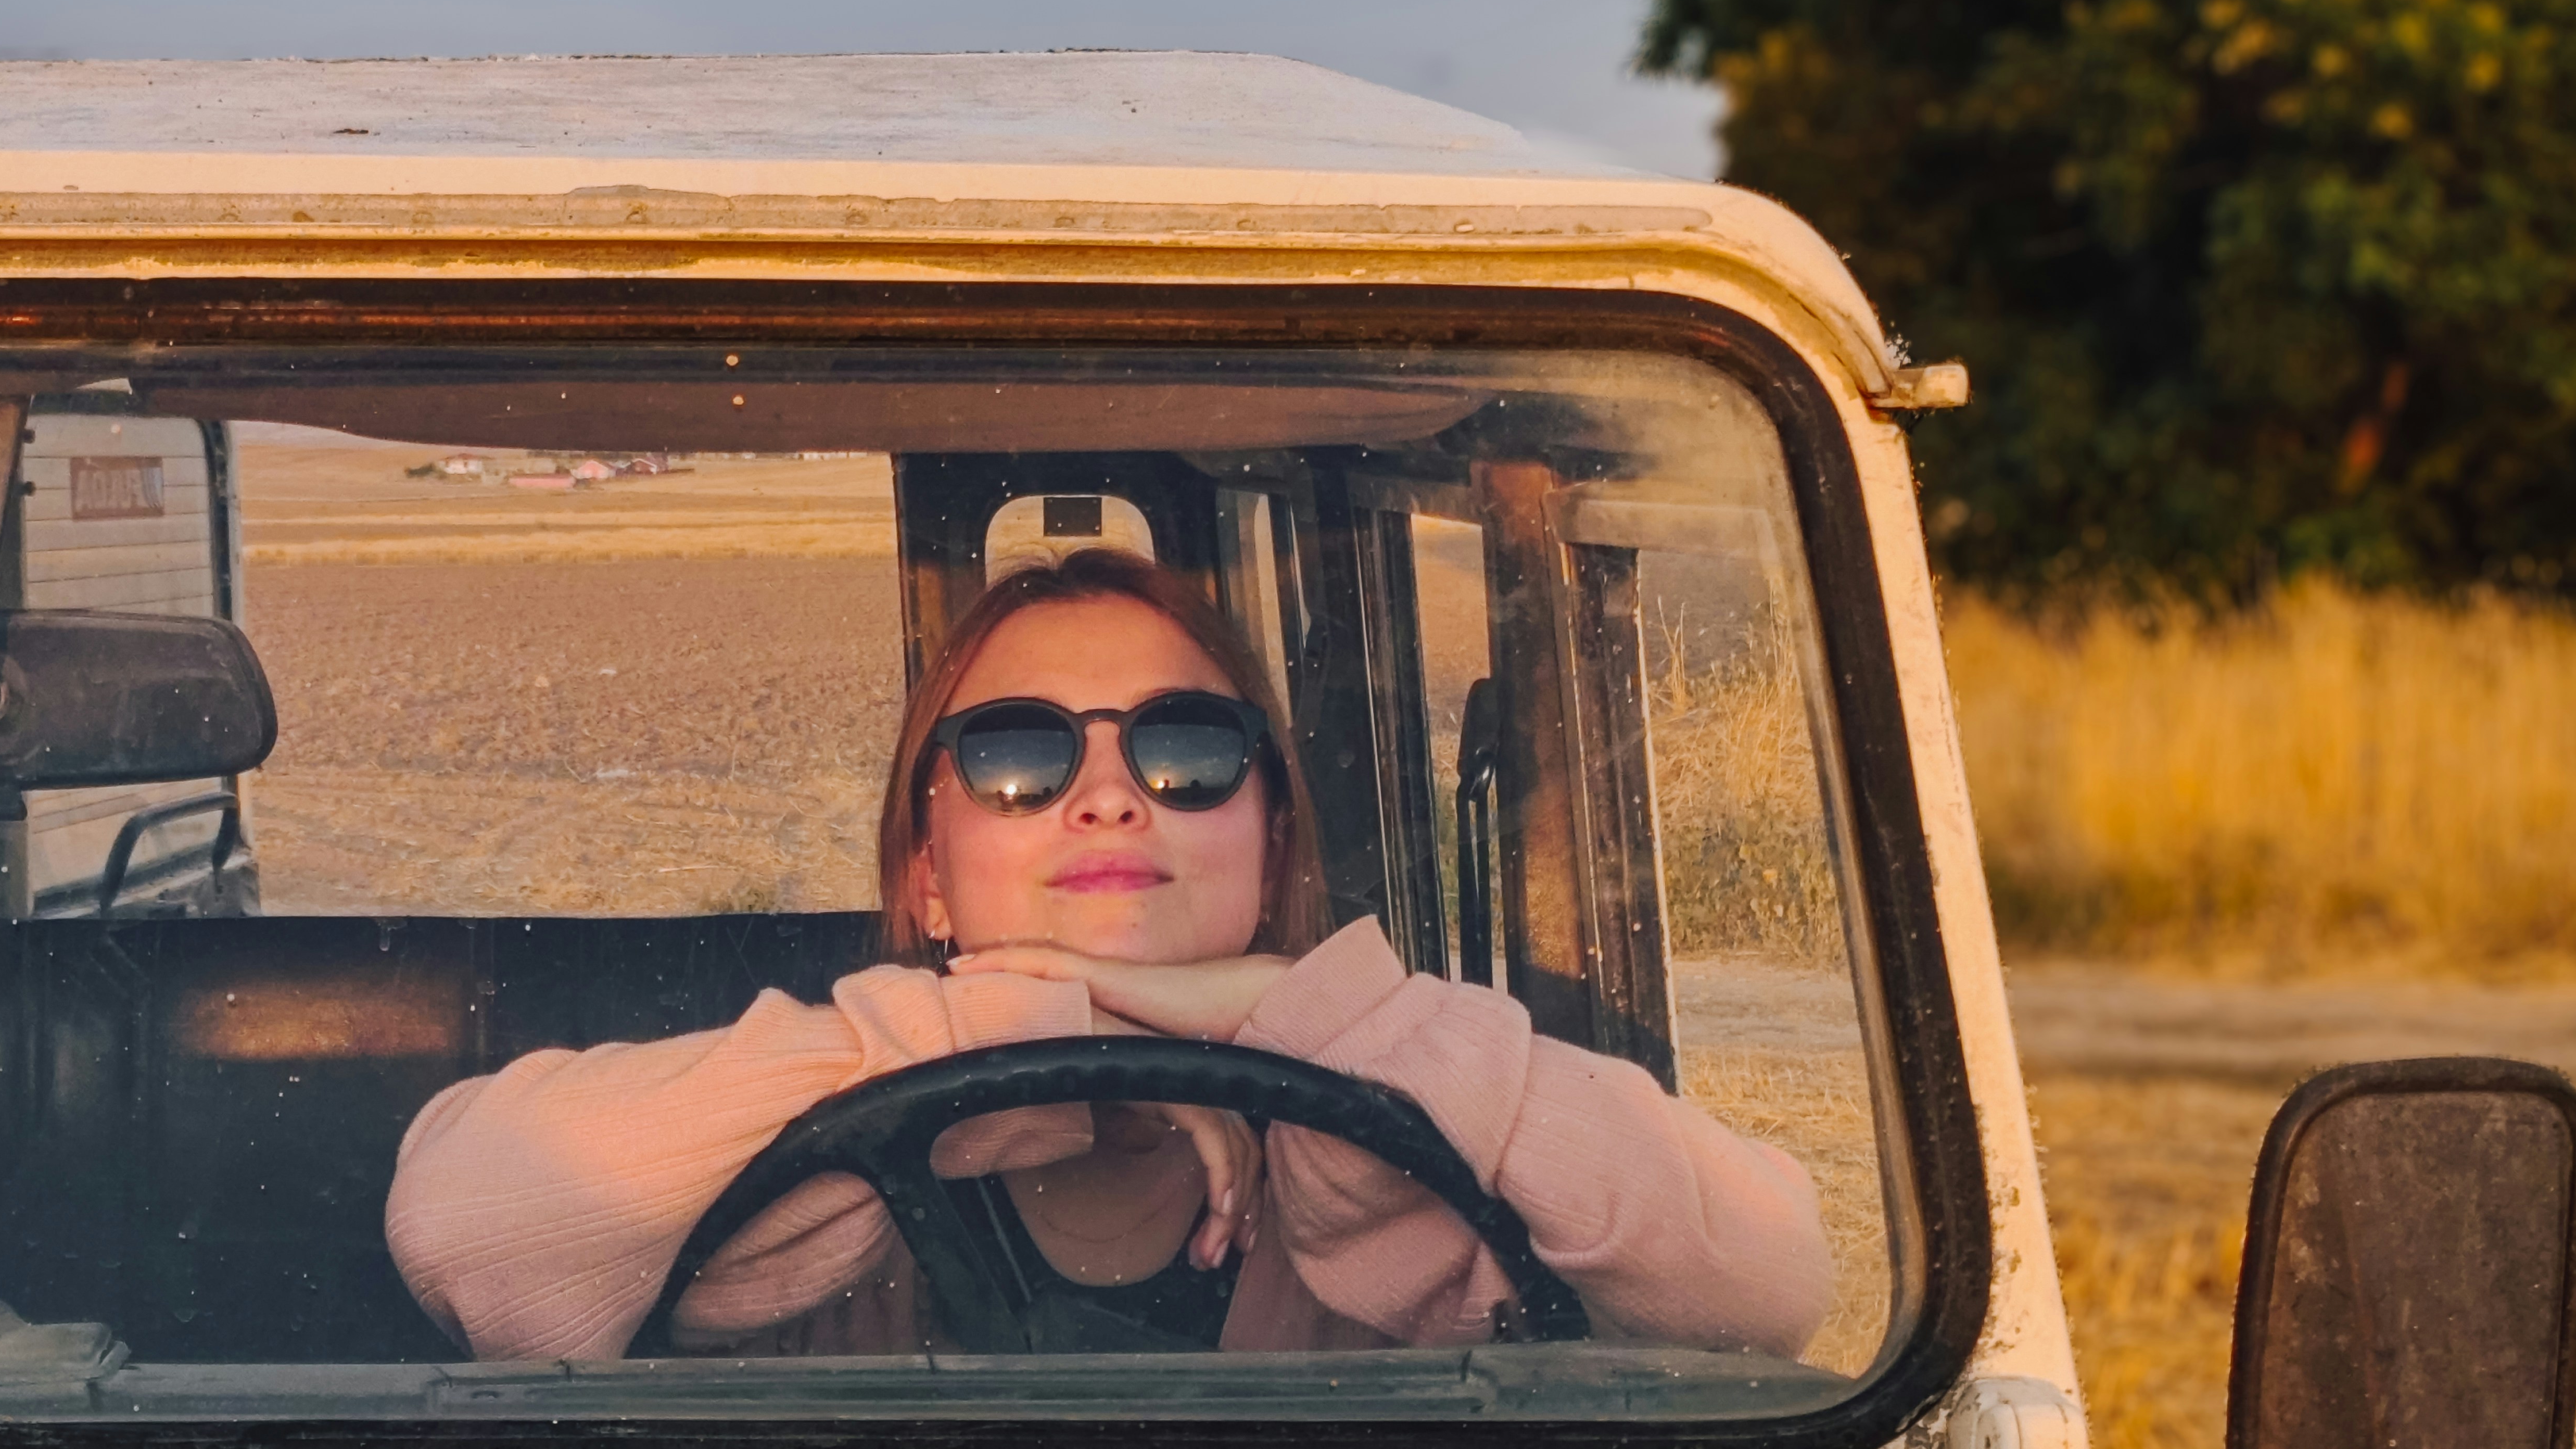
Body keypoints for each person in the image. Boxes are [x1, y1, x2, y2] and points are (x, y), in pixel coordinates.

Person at [385, 547, 1833, 1364]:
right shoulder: (789, 1156)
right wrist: (989, 1032)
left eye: (1185, 749)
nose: (1106, 793)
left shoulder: (1397, 1160)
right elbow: (473, 1226)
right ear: (924, 870)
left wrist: (1302, 1019)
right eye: (1015, 753)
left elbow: (1768, 1285)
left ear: (1271, 845)